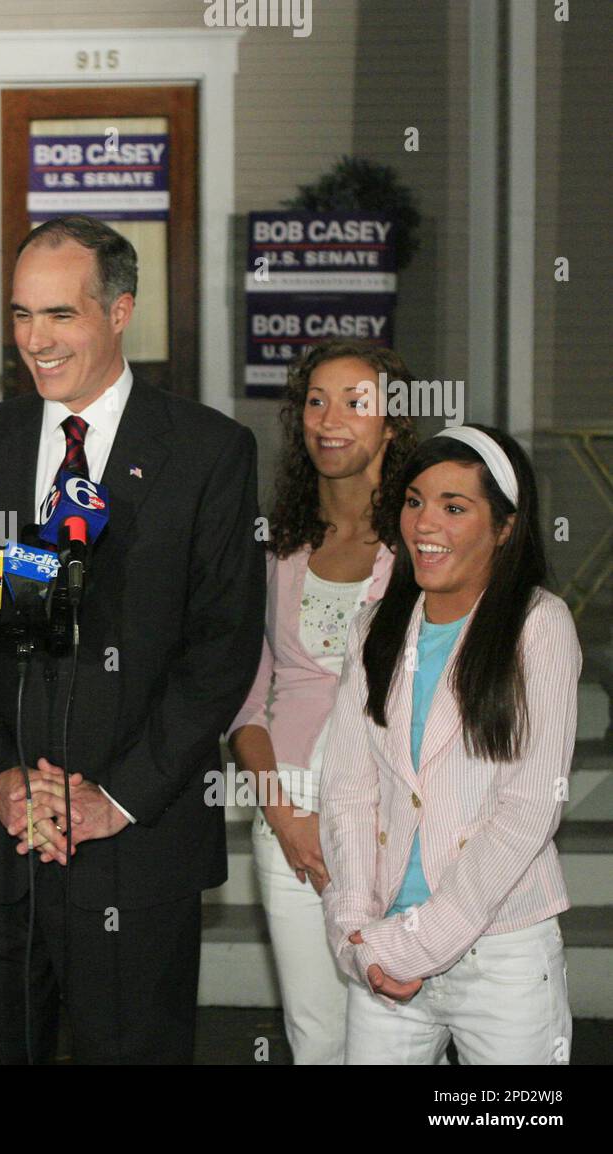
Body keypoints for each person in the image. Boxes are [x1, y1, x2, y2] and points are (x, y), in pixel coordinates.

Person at [0, 215, 264, 1063]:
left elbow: (221, 650)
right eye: (23, 315)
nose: (37, 339)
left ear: (119, 312)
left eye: (61, 315)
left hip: (138, 843)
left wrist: (114, 797)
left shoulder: (211, 451)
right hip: (5, 841)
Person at [320, 425, 578, 1064]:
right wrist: (354, 928)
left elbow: (527, 811)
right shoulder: (373, 627)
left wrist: (421, 943)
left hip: (501, 951)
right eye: (414, 500)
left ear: (506, 527)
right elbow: (348, 789)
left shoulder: (539, 628)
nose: (424, 523)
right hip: (382, 947)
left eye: (454, 507)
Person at [227, 340, 417, 1063]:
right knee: (317, 1037)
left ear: (392, 423)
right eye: (316, 400)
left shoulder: (422, 541)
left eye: (355, 401)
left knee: (396, 1037)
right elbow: (244, 703)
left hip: (401, 809)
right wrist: (281, 812)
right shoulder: (277, 547)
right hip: (295, 810)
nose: (330, 419)